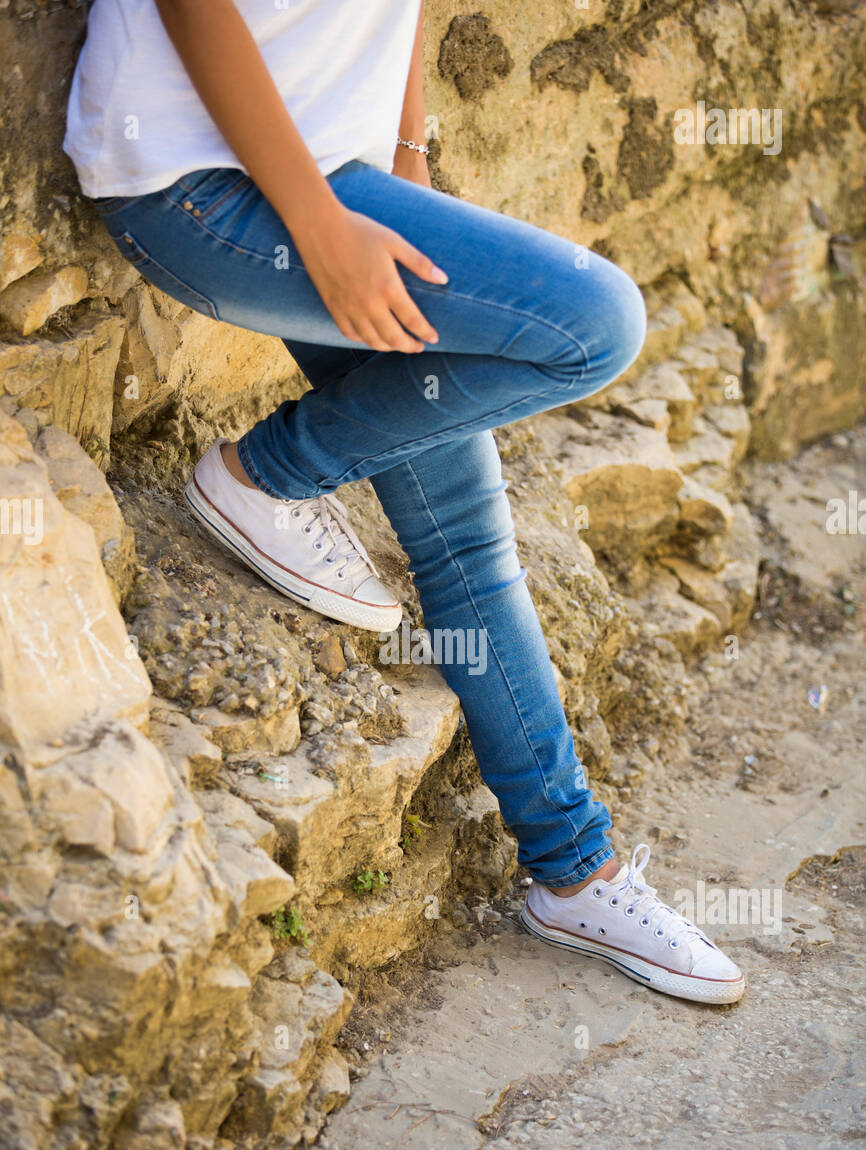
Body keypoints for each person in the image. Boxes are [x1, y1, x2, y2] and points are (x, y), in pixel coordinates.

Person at [62, 0, 744, 1005]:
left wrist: (404, 158)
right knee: (598, 320)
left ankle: (574, 874)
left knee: (467, 532)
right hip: (195, 188)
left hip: (336, 178)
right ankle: (268, 474)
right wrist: (323, 224)